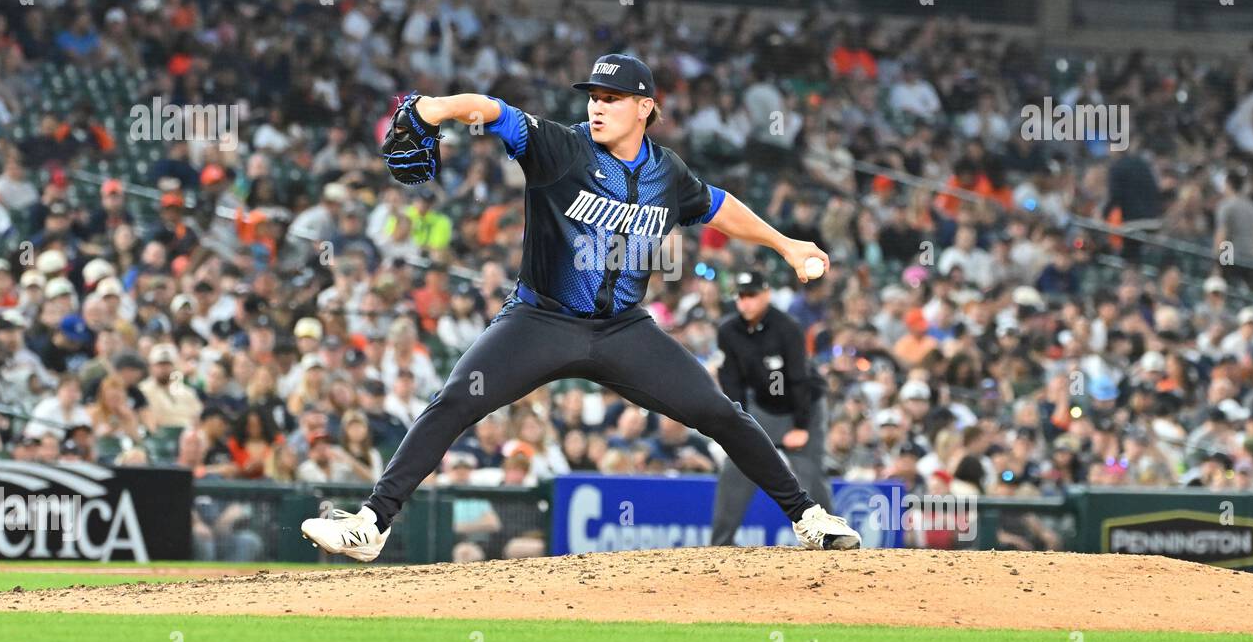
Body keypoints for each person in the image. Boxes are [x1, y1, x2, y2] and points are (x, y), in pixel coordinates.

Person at [302, 54, 861, 559]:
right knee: (454, 400)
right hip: (540, 320)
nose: (597, 106)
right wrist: (433, 108)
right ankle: (373, 523)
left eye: (611, 98)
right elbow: (493, 110)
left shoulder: (667, 173)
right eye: (593, 96)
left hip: (624, 330)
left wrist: (785, 244)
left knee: (719, 414)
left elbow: (717, 206)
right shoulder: (560, 148)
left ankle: (807, 516)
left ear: (645, 107)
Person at [710, 271, 833, 545]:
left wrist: (801, 426)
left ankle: (831, 540)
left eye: (752, 295)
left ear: (766, 295)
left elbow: (799, 378)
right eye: (741, 296)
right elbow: (730, 379)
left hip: (804, 406)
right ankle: (722, 542)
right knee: (736, 467)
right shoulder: (728, 331)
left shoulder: (787, 326)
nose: (746, 303)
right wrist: (736, 421)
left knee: (808, 471)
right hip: (764, 407)